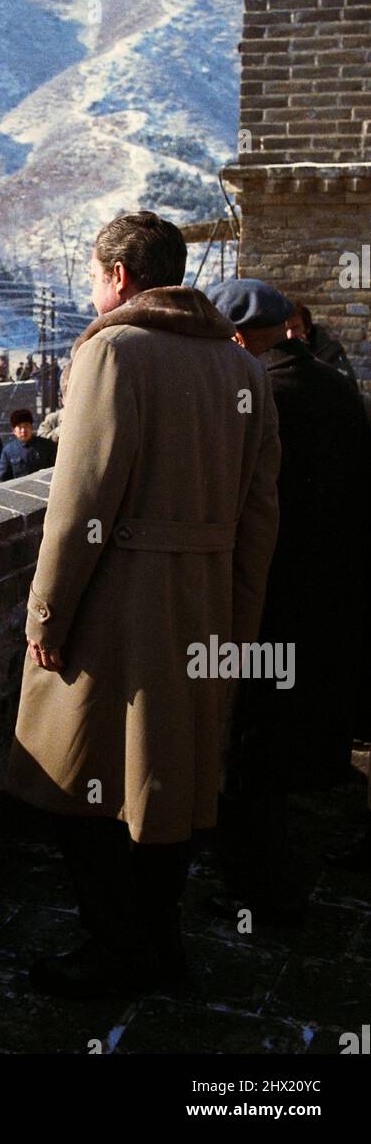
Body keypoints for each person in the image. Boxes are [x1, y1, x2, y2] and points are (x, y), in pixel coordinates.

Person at [5, 211, 281, 1000]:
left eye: (94, 277)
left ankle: (112, 947)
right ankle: (161, 943)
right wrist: (241, 633)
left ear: (120, 277)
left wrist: (47, 619)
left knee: (78, 780)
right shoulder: (244, 371)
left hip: (119, 608)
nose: (93, 294)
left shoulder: (115, 352)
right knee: (172, 789)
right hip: (204, 611)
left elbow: (80, 502)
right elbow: (262, 519)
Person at [209, 278, 371, 918]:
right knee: (302, 720)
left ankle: (261, 886)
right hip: (334, 592)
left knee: (250, 736)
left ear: (240, 337)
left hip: (268, 591)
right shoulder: (336, 387)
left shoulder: (254, 397)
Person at [285, 301, 359, 389]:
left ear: (307, 328)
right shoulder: (274, 350)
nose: (289, 335)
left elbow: (349, 385)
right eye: (285, 329)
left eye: (295, 328)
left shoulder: (329, 349)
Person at [0, 409, 57, 480]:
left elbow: (55, 470)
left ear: (32, 427)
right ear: (14, 431)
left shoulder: (47, 445)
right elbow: (3, 478)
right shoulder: (8, 451)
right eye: (19, 427)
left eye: (26, 426)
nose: (23, 430)